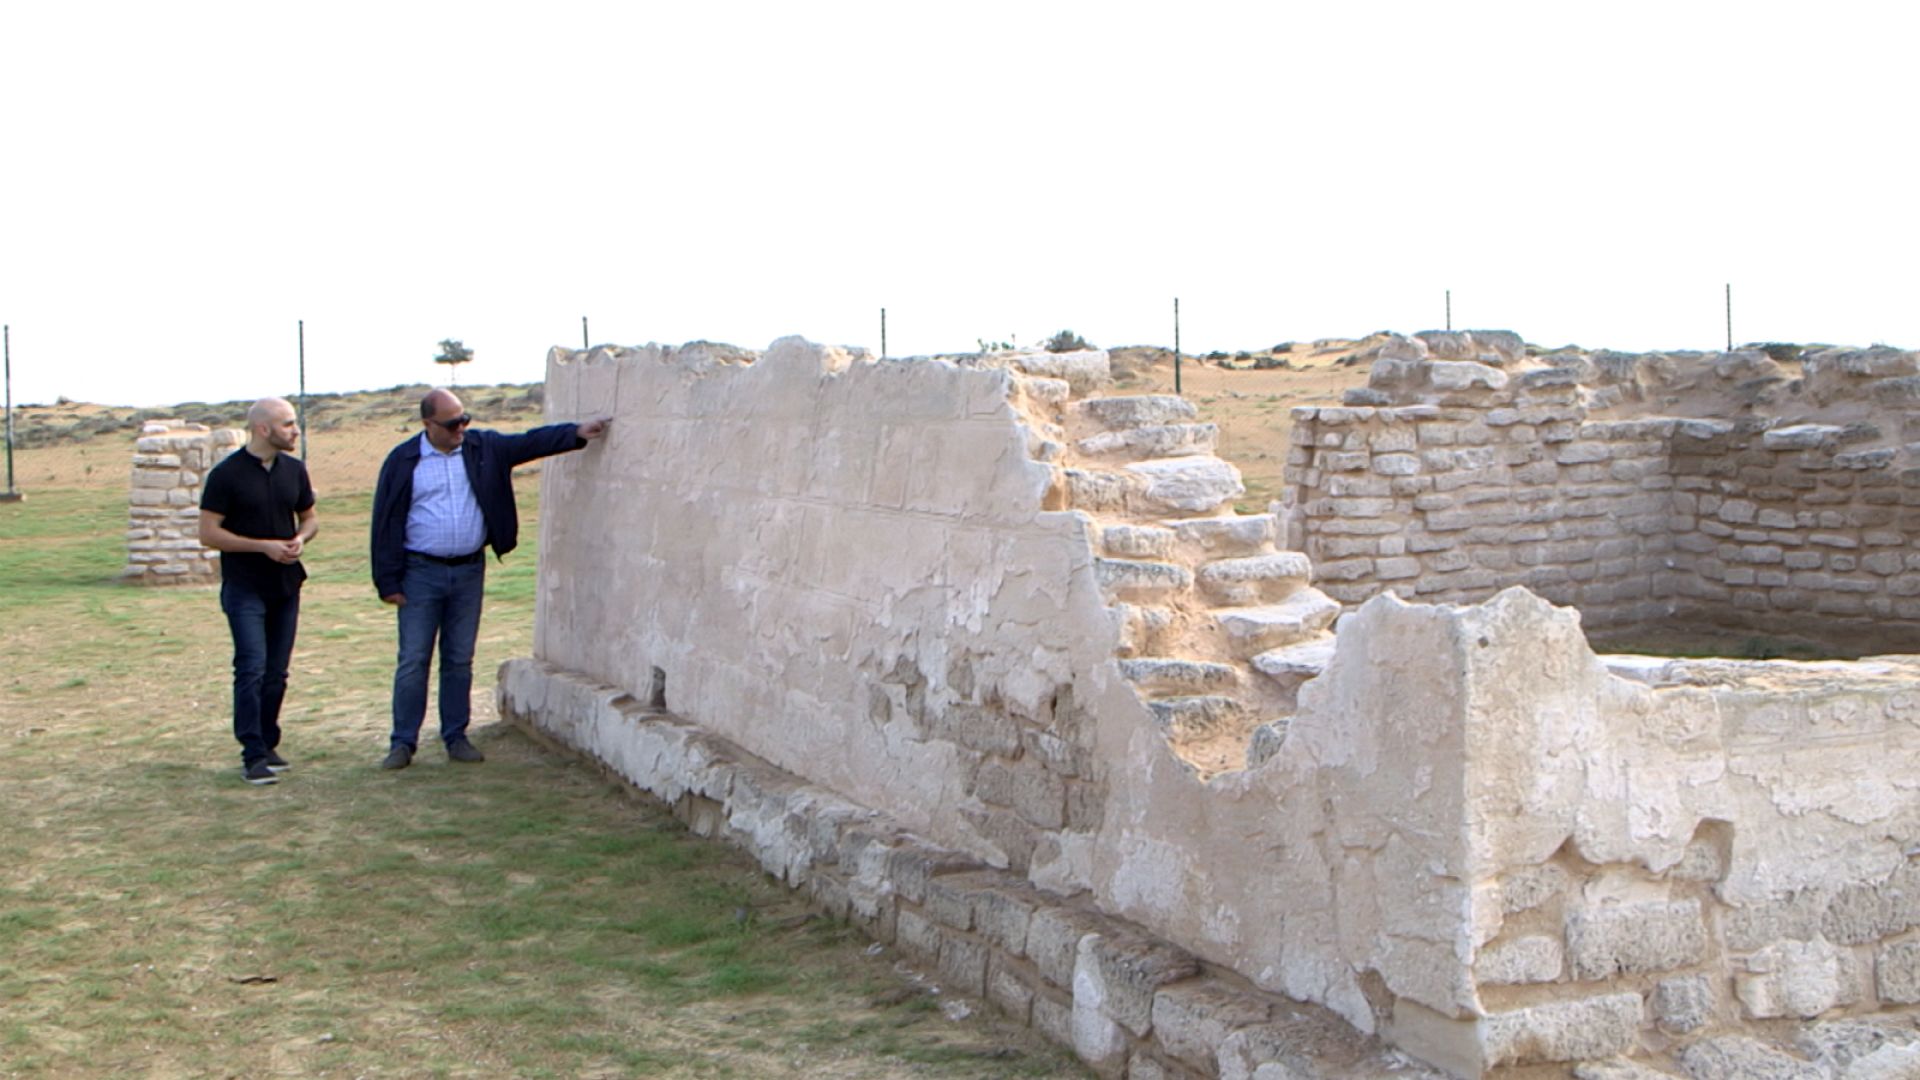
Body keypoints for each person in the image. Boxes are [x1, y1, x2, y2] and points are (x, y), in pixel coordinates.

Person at [370, 389, 609, 769]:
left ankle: (456, 736)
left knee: (459, 658)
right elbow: (384, 520)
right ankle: (402, 743)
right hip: (420, 574)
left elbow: (529, 443)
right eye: (452, 424)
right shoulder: (403, 460)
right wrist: (388, 582)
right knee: (413, 660)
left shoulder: (482, 448)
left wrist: (576, 432)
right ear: (428, 424)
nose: (461, 429)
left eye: (464, 420)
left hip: (468, 571)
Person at [199, 397, 319, 786]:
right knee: (251, 667)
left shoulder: (295, 470)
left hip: (286, 585)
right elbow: (208, 533)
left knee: (276, 672)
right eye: (287, 424)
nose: (295, 430)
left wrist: (300, 538)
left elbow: (310, 518)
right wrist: (262, 546)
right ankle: (252, 754)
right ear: (263, 429)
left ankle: (268, 742)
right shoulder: (226, 475)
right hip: (244, 586)